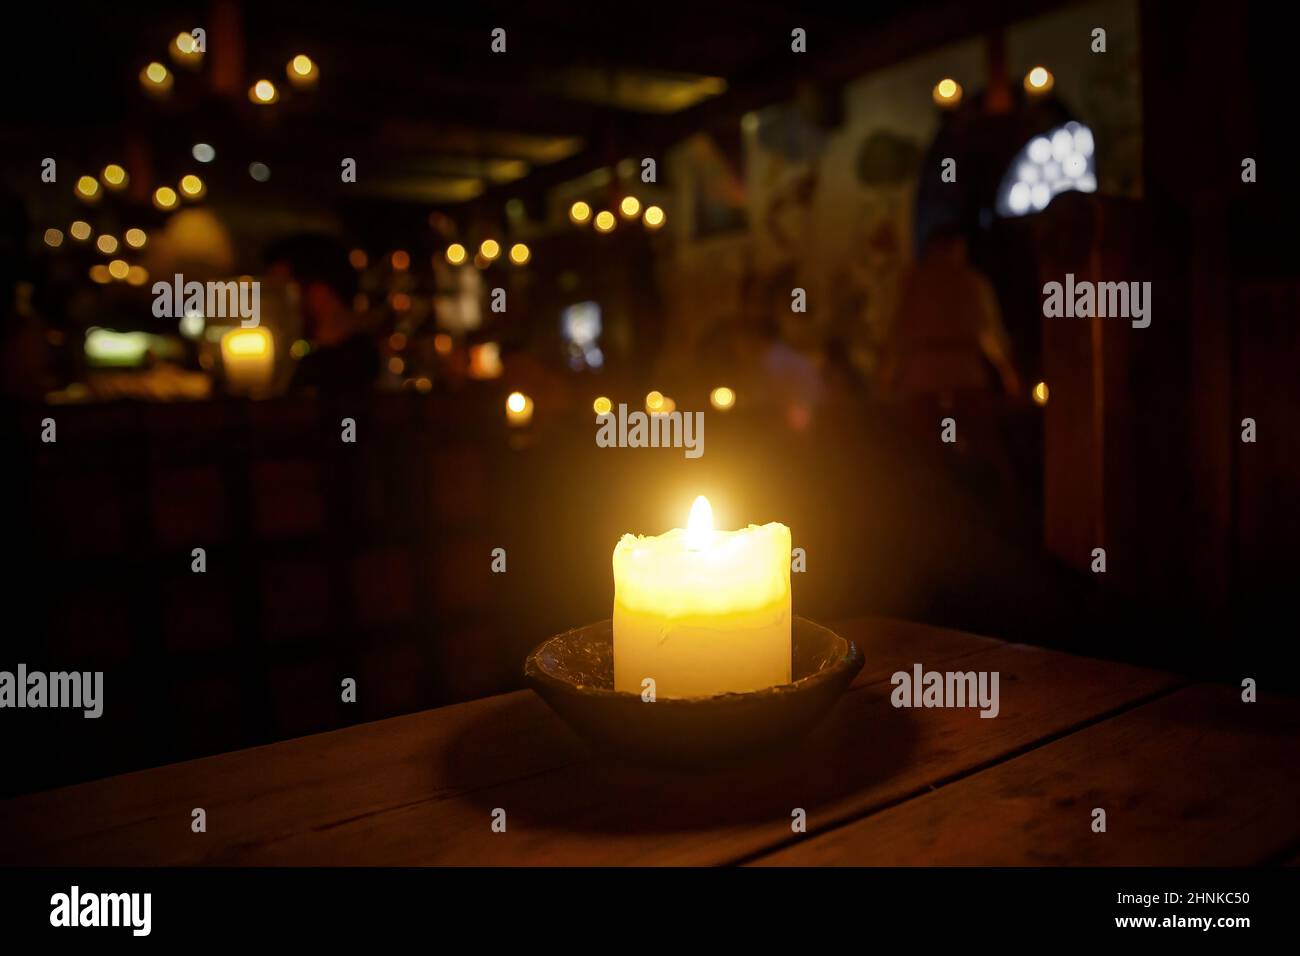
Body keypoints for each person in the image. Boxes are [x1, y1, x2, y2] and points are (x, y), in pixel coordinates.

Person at [878, 223, 1020, 400]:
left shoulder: (910, 283)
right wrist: (1007, 371)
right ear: (955, 248)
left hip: (921, 376)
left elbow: (895, 333)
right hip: (962, 376)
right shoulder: (971, 282)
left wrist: (886, 376)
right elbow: (988, 333)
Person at [264, 233, 379, 394]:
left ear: (319, 292)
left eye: (280, 293)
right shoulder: (296, 366)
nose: (273, 305)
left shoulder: (359, 372)